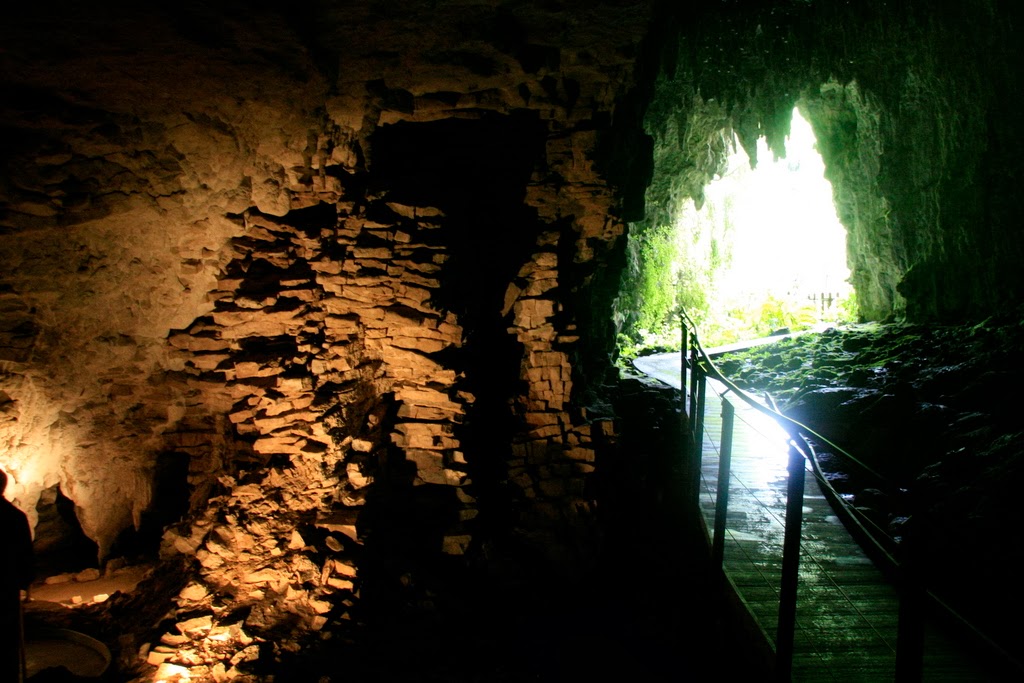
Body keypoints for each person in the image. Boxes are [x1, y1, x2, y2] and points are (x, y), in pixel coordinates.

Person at [0, 469, 34, 682]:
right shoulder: (16, 517)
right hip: (6, 588)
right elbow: (26, 555)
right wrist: (26, 582)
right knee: (6, 642)